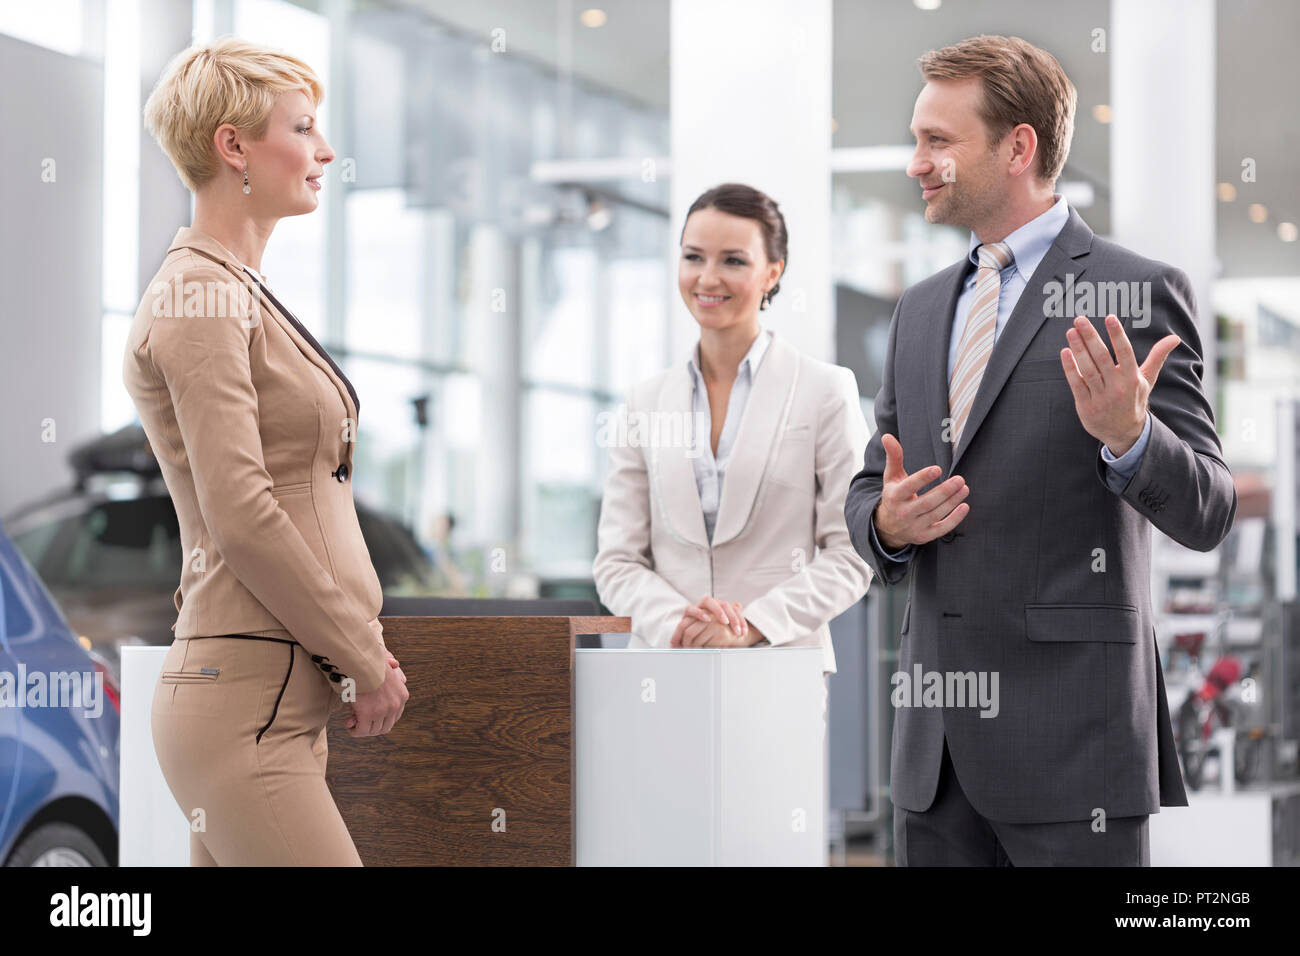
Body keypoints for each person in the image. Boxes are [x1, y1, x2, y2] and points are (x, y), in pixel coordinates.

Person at [844, 35, 1236, 866]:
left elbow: (1209, 508)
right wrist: (886, 522)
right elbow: (862, 492)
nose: (916, 162)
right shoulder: (917, 311)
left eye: (937, 141)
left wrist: (1132, 439)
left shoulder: (1136, 290)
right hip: (934, 760)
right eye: (917, 139)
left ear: (1018, 146)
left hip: (1073, 756)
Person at [122, 37, 408, 866]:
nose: (324, 151)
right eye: (304, 127)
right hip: (248, 704)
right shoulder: (200, 294)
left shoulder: (232, 289)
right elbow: (241, 511)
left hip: (275, 698)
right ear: (233, 146)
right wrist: (361, 654)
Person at [594, 183, 873, 708]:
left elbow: (852, 551)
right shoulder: (644, 402)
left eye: (733, 260)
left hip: (777, 671)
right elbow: (617, 561)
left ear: (773, 272)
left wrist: (750, 626)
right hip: (659, 677)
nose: (708, 277)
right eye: (693, 257)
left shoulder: (824, 391)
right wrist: (682, 625)